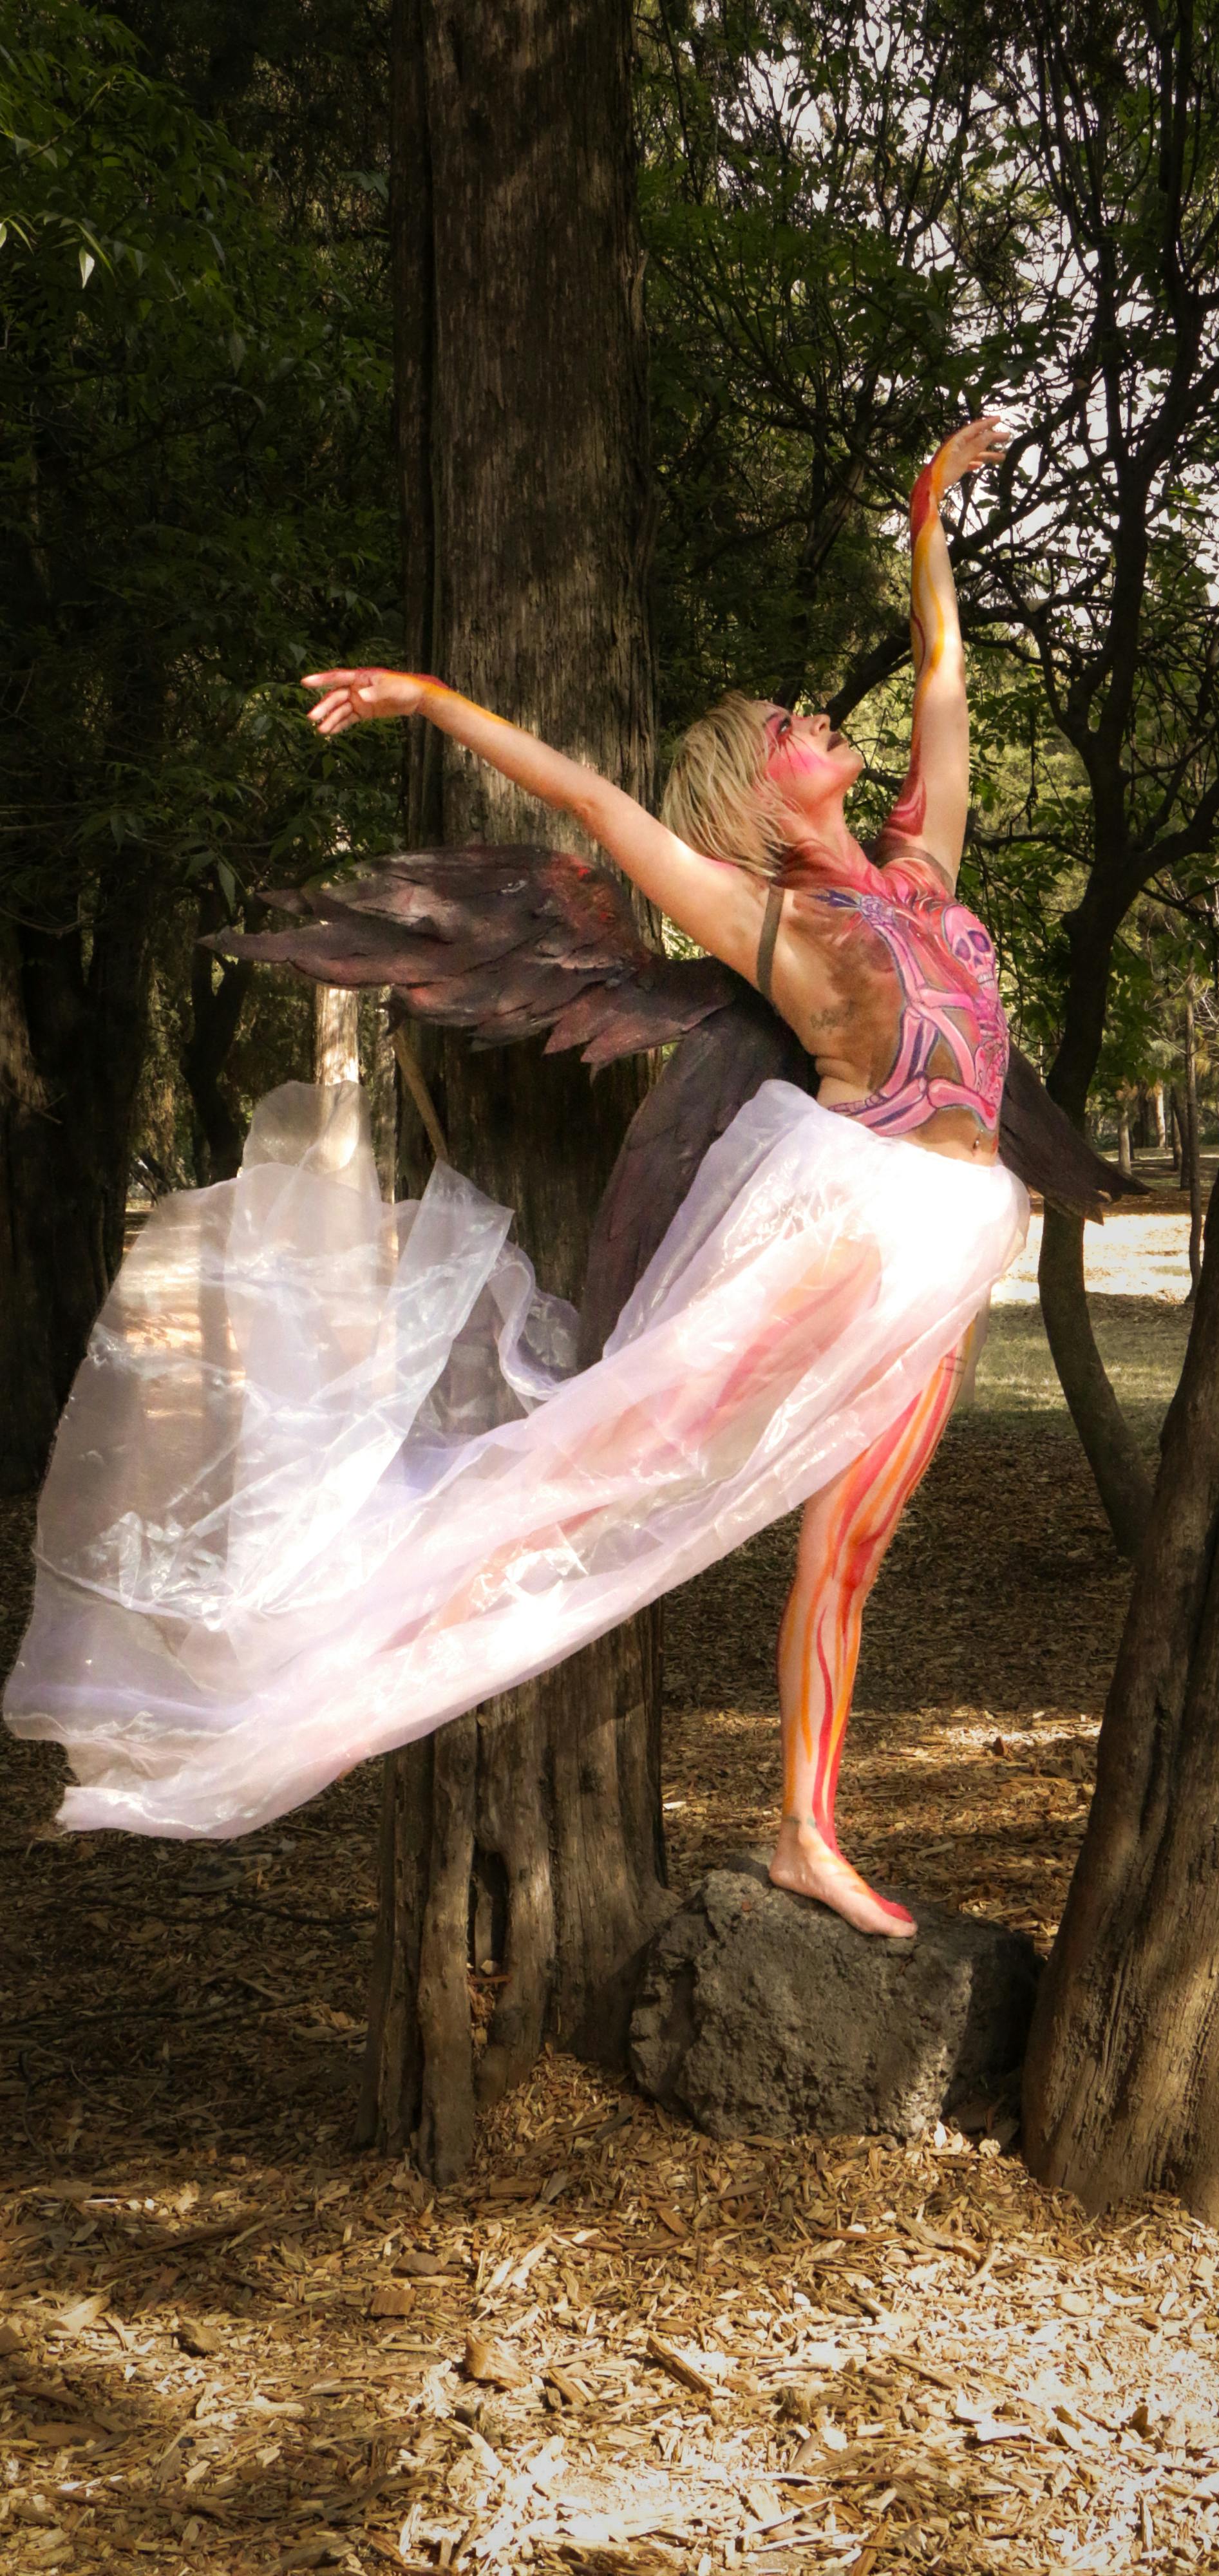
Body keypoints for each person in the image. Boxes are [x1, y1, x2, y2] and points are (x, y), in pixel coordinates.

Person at [5, 421, 1026, 1937]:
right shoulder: (774, 923)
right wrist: (428, 697)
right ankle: (363, 1619)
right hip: (860, 1221)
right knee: (622, 1452)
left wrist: (929, 510)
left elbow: (943, 679)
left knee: (852, 1540)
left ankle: (808, 1820)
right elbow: (598, 807)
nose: (818, 715)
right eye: (790, 722)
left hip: (960, 1233)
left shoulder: (921, 877)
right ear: (761, 788)